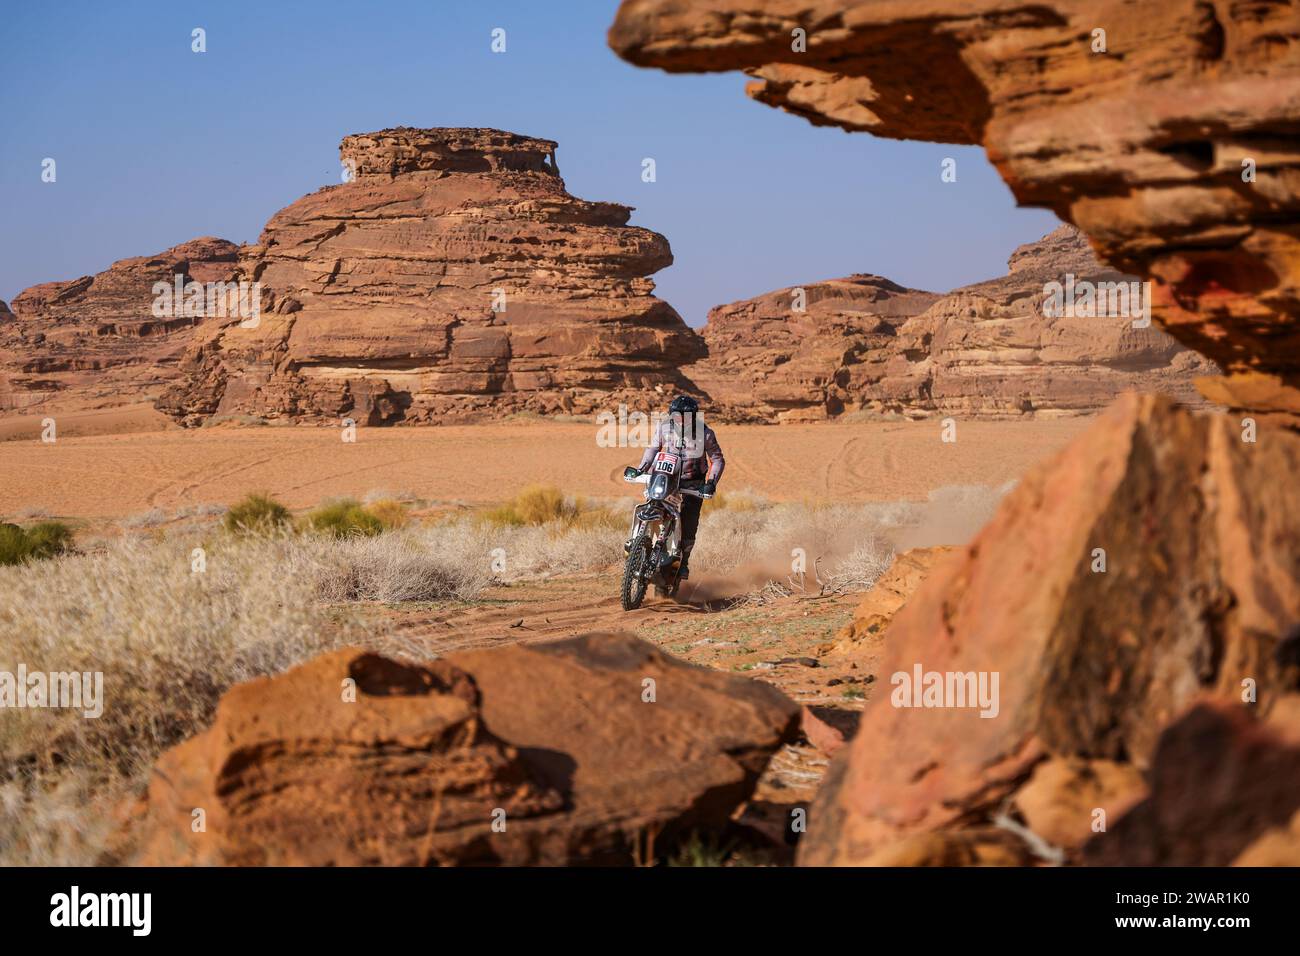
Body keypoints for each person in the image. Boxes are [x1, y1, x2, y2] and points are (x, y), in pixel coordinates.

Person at [632, 395, 725, 579]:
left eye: (686, 416)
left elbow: (717, 459)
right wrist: (642, 468)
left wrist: (711, 483)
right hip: (666, 478)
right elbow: (653, 448)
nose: (681, 420)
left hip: (693, 483)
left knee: (689, 521)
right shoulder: (663, 427)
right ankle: (640, 546)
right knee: (652, 504)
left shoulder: (705, 433)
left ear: (694, 416)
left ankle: (684, 561)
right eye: (677, 416)